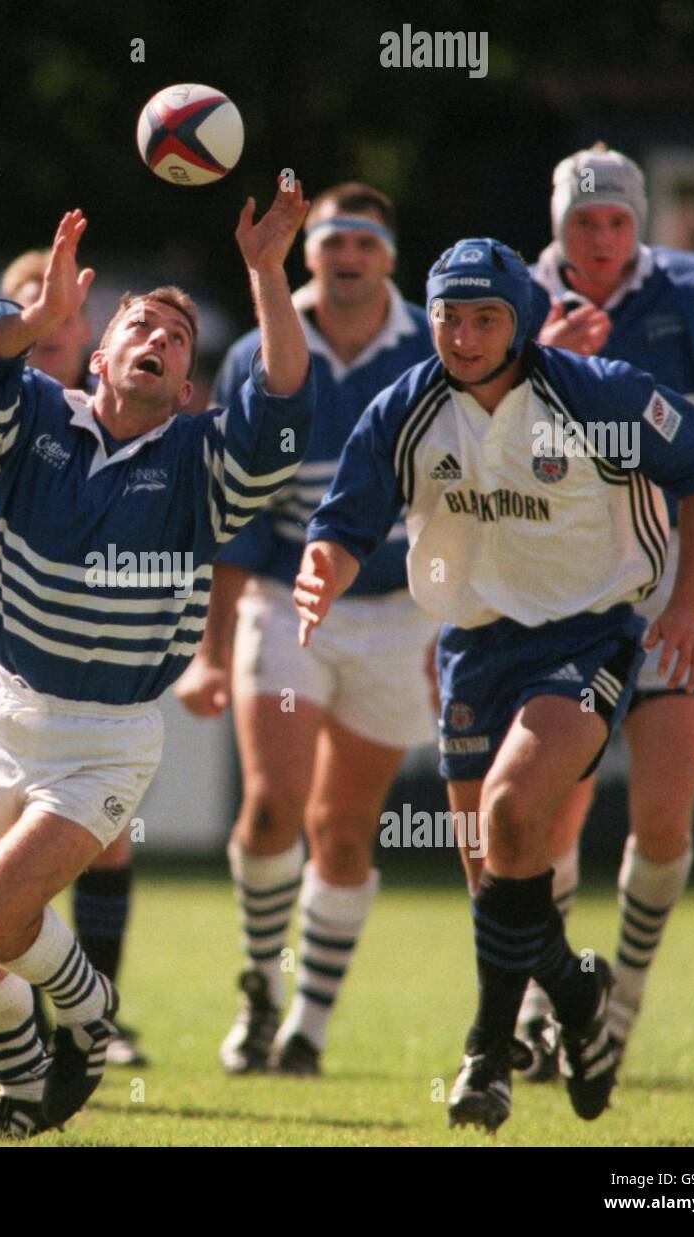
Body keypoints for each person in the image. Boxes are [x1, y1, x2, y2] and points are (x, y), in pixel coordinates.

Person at [294, 238, 694, 1131]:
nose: (461, 335)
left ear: (521, 322)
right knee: (495, 875)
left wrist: (688, 607)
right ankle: (576, 994)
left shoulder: (596, 391)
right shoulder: (406, 407)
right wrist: (322, 570)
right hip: (471, 645)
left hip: (588, 634)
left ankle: (486, 1054)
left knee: (508, 811)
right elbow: (345, 520)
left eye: (485, 316)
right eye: (449, 317)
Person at [0, 180, 315, 1138]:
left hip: (106, 739)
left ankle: (89, 1013)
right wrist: (38, 316)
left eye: (178, 340)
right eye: (141, 324)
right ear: (100, 354)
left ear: (186, 388)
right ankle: (26, 1089)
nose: (158, 339)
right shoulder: (32, 424)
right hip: (8, 710)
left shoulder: (200, 468)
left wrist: (267, 273)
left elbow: (286, 403)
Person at [513, 144, 694, 1077]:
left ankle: (618, 1004)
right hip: (556, 578)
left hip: (678, 571)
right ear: (557, 225)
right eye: (583, 220)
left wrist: (689, 597)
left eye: (616, 220)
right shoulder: (510, 295)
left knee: (665, 820)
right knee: (548, 811)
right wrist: (547, 361)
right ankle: (550, 998)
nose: (599, 237)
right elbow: (468, 429)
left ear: (639, 223)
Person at [175, 182, 437, 1075]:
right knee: (272, 806)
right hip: (289, 603)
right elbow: (238, 516)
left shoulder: (441, 347)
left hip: (400, 615)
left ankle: (309, 1025)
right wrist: (210, 653)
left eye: (365, 241)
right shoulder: (262, 350)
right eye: (333, 242)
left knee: (344, 829)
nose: (349, 256)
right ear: (309, 253)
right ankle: (258, 988)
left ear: (389, 257)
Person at [0, 249, 148, 1067]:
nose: (47, 327)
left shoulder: (128, 428)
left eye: (65, 311)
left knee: (97, 847)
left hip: (99, 683)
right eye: (28, 311)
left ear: (89, 331)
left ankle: (94, 1025)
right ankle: (30, 1034)